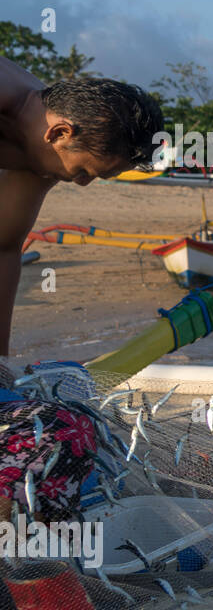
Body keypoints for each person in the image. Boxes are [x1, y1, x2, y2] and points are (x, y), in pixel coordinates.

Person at [0, 60, 163, 520]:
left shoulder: (41, 159)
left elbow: (5, 248)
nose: (83, 183)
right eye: (86, 172)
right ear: (60, 134)